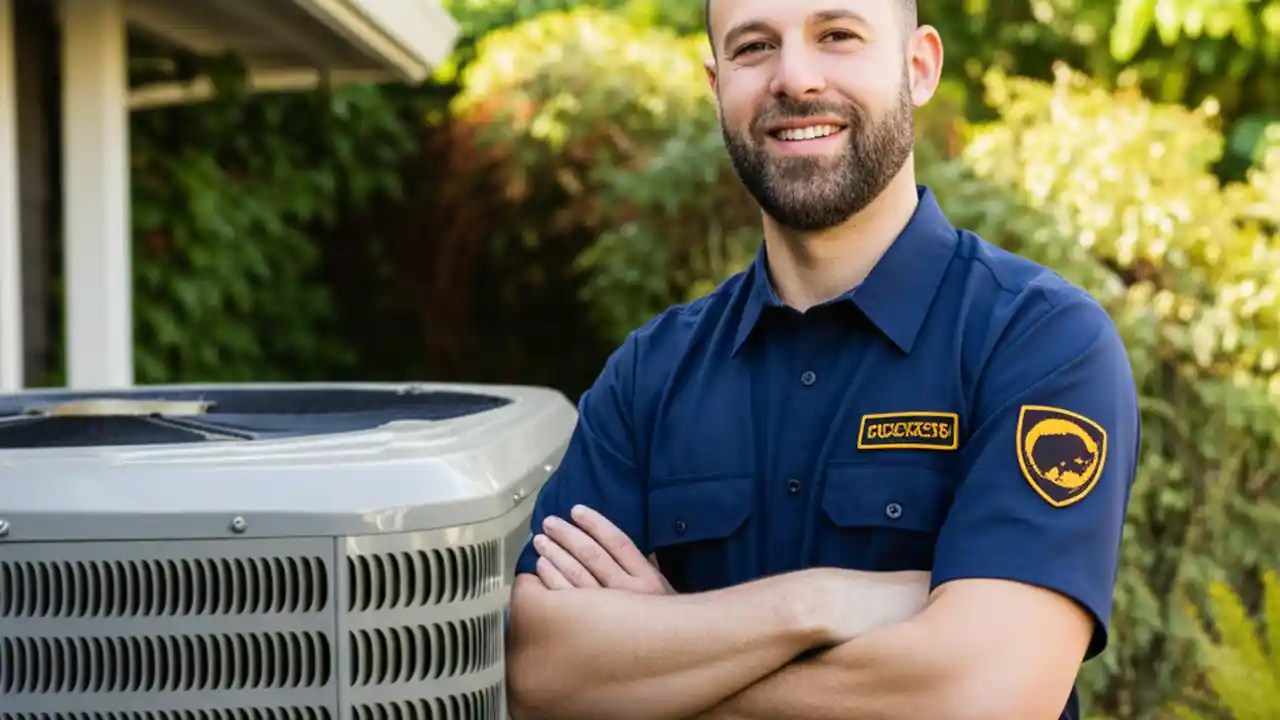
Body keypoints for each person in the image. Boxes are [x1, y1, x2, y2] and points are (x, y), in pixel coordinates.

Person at [505, 0, 1141, 717]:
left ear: (919, 66)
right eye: (754, 48)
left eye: (836, 35)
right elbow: (546, 672)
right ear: (717, 86)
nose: (795, 78)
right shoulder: (648, 375)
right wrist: (812, 604)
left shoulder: (1039, 343)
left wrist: (665, 662)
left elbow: (984, 693)